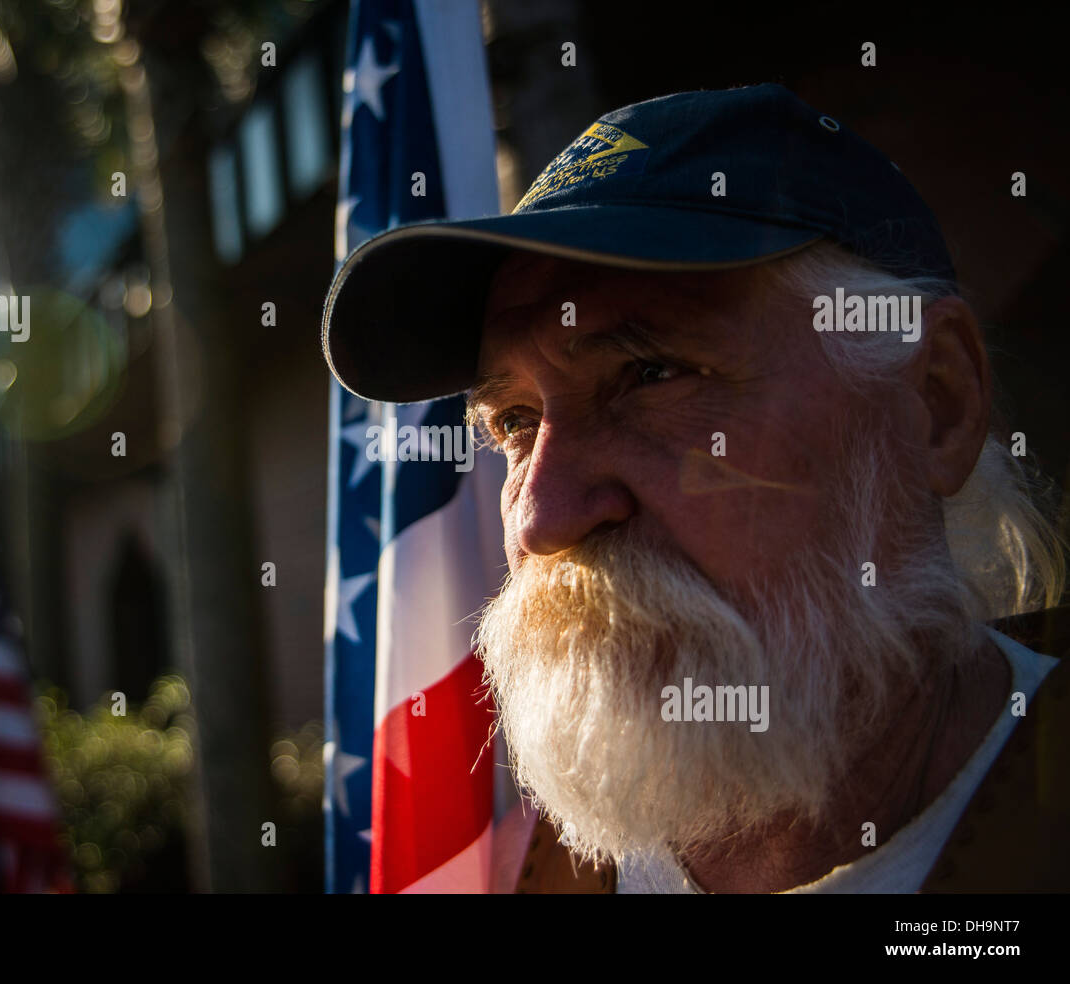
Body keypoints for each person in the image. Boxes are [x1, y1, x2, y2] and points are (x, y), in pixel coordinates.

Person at [320, 83, 1068, 893]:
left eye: (651, 374)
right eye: (515, 422)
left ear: (937, 407)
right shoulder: (501, 871)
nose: (541, 518)